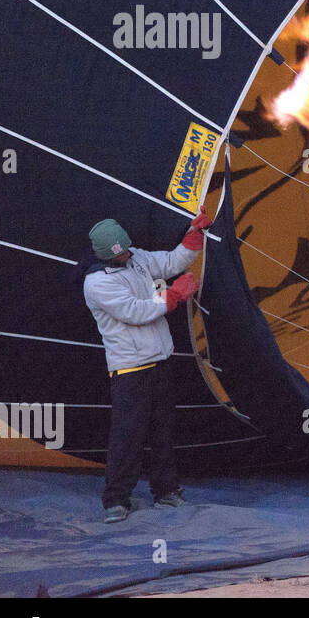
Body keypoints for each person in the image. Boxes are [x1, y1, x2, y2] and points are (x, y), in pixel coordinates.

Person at [83, 207, 211, 523]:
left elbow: (170, 262)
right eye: (121, 252)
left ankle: (166, 491)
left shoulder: (135, 257)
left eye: (128, 248)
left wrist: (194, 236)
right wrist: (175, 295)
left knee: (163, 432)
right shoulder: (97, 284)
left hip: (160, 360)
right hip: (130, 370)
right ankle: (116, 499)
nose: (128, 254)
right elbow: (136, 312)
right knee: (128, 436)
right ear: (105, 256)